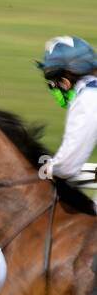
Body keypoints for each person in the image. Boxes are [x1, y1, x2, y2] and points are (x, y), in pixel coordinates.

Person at [36, 36, 97, 187]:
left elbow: (66, 167)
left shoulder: (88, 98)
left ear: (65, 79)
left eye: (53, 80)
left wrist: (41, 169)